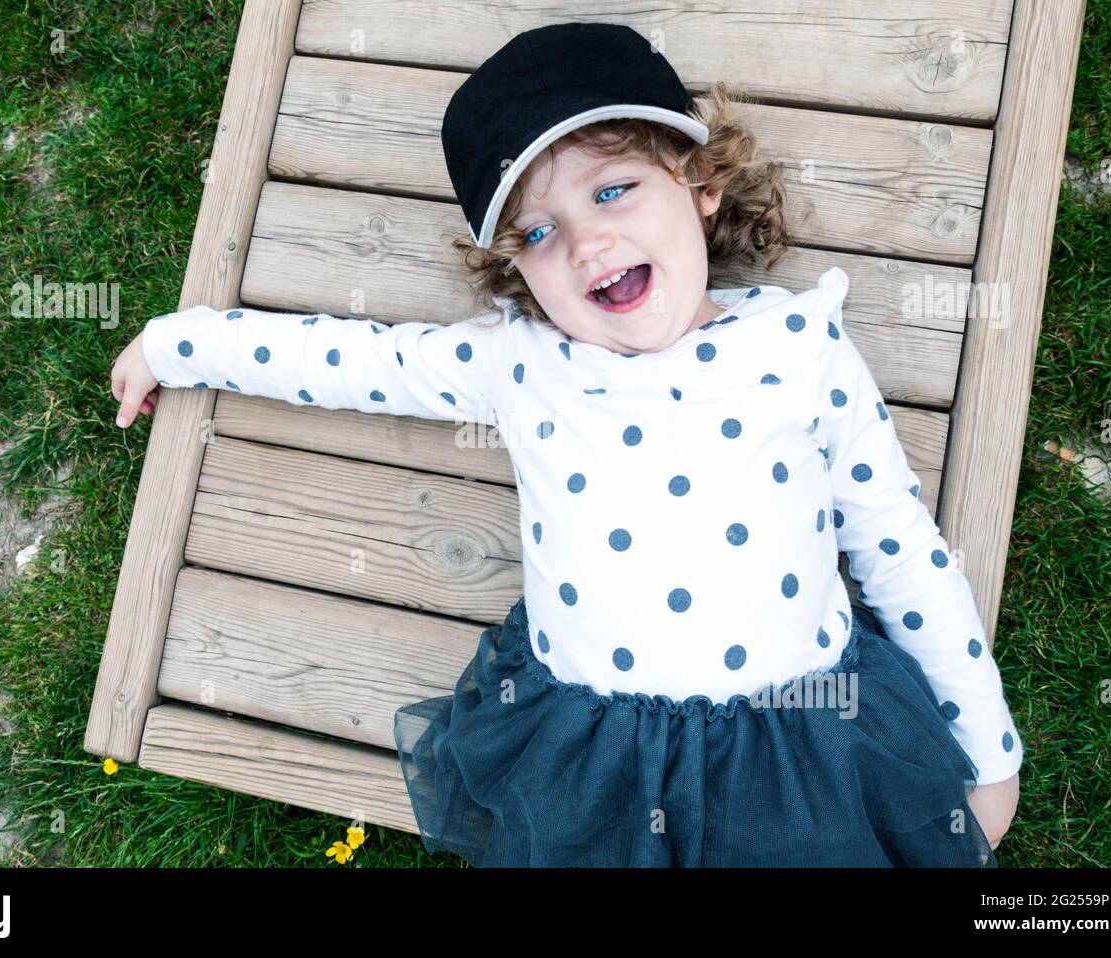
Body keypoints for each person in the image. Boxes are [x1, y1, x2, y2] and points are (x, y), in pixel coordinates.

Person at [109, 22, 1022, 867]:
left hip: (800, 751)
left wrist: (987, 751)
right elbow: (351, 358)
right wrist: (175, 344)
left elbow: (898, 551)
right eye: (538, 233)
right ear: (515, 271)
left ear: (702, 187)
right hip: (592, 764)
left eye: (614, 188)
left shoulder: (800, 347)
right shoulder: (520, 362)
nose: (587, 244)